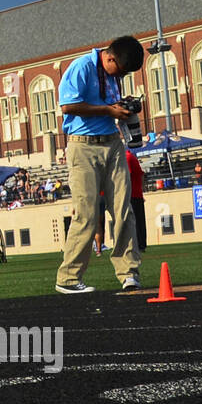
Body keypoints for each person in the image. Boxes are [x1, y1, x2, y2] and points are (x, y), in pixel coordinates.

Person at [54, 35, 145, 294]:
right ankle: (68, 279)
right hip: (83, 145)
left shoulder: (112, 74)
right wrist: (108, 110)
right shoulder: (82, 67)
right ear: (110, 58)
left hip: (112, 142)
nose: (122, 75)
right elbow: (67, 106)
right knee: (86, 214)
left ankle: (129, 274)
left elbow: (107, 101)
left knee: (123, 210)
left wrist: (122, 106)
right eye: (122, 70)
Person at [125, 148, 147, 254]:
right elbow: (141, 174)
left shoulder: (127, 158)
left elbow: (127, 176)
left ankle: (136, 244)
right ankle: (141, 244)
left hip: (131, 194)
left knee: (133, 221)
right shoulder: (131, 157)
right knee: (139, 220)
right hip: (136, 193)